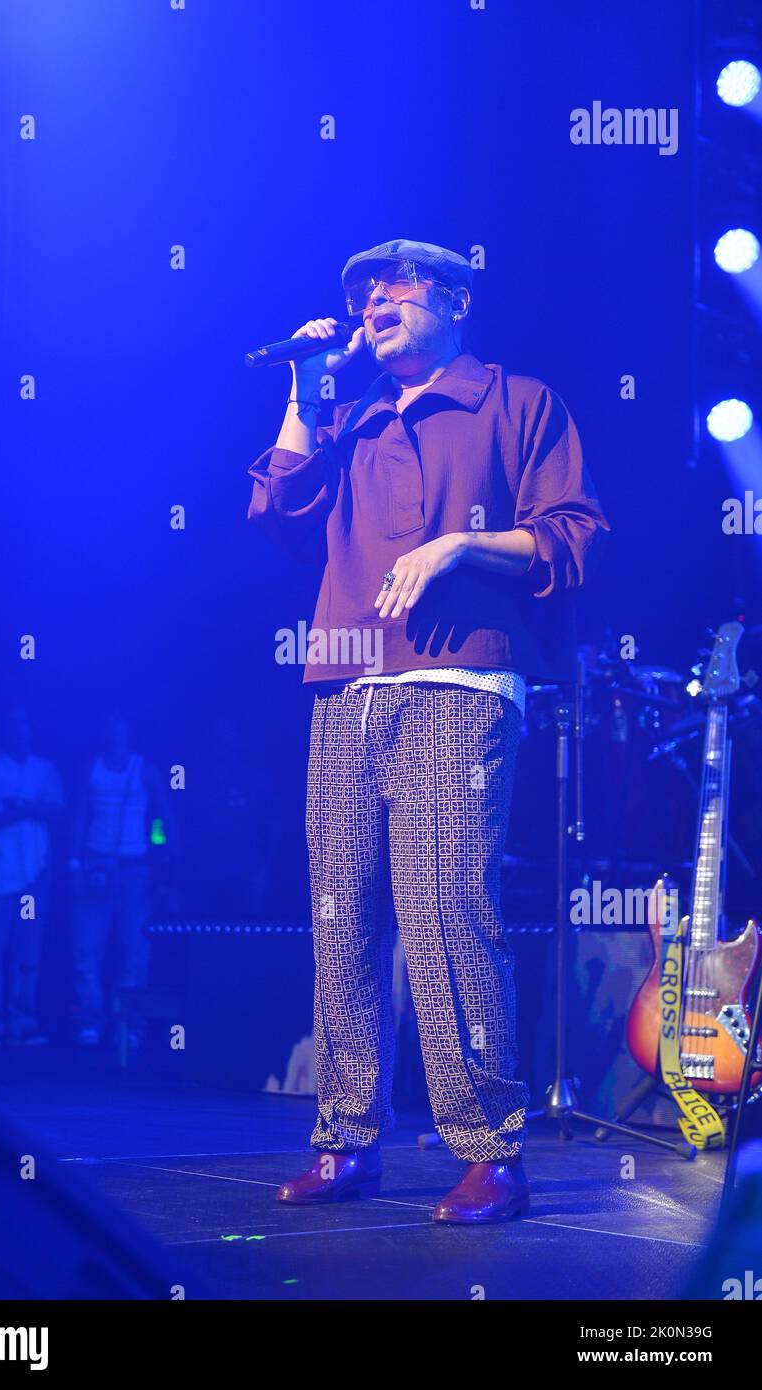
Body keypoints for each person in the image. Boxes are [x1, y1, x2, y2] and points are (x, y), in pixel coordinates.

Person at [247, 239, 609, 1222]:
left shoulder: (514, 400)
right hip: (341, 678)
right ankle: (345, 1137)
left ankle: (489, 1148)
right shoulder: (352, 413)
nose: (372, 301)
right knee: (342, 917)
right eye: (361, 292)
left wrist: (456, 543)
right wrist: (306, 382)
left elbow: (570, 534)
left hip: (457, 674)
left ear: (452, 299)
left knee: (446, 906)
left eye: (395, 286)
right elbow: (277, 507)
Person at [70, 714, 175, 1045]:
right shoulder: (92, 768)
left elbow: (163, 815)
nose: (115, 739)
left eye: (121, 733)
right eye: (110, 732)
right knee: (87, 946)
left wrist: (158, 851)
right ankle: (91, 1018)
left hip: (134, 867)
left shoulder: (145, 769)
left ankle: (129, 1022)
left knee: (135, 948)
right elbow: (80, 815)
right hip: (95, 864)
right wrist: (74, 862)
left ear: (129, 734)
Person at [0, 707, 64, 1045]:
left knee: (28, 955)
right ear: (4, 730)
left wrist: (20, 807)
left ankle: (23, 1019)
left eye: (23, 723)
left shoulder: (45, 770)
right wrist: (30, 809)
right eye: (12, 723)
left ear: (31, 730)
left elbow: (56, 811)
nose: (18, 729)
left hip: (33, 878)